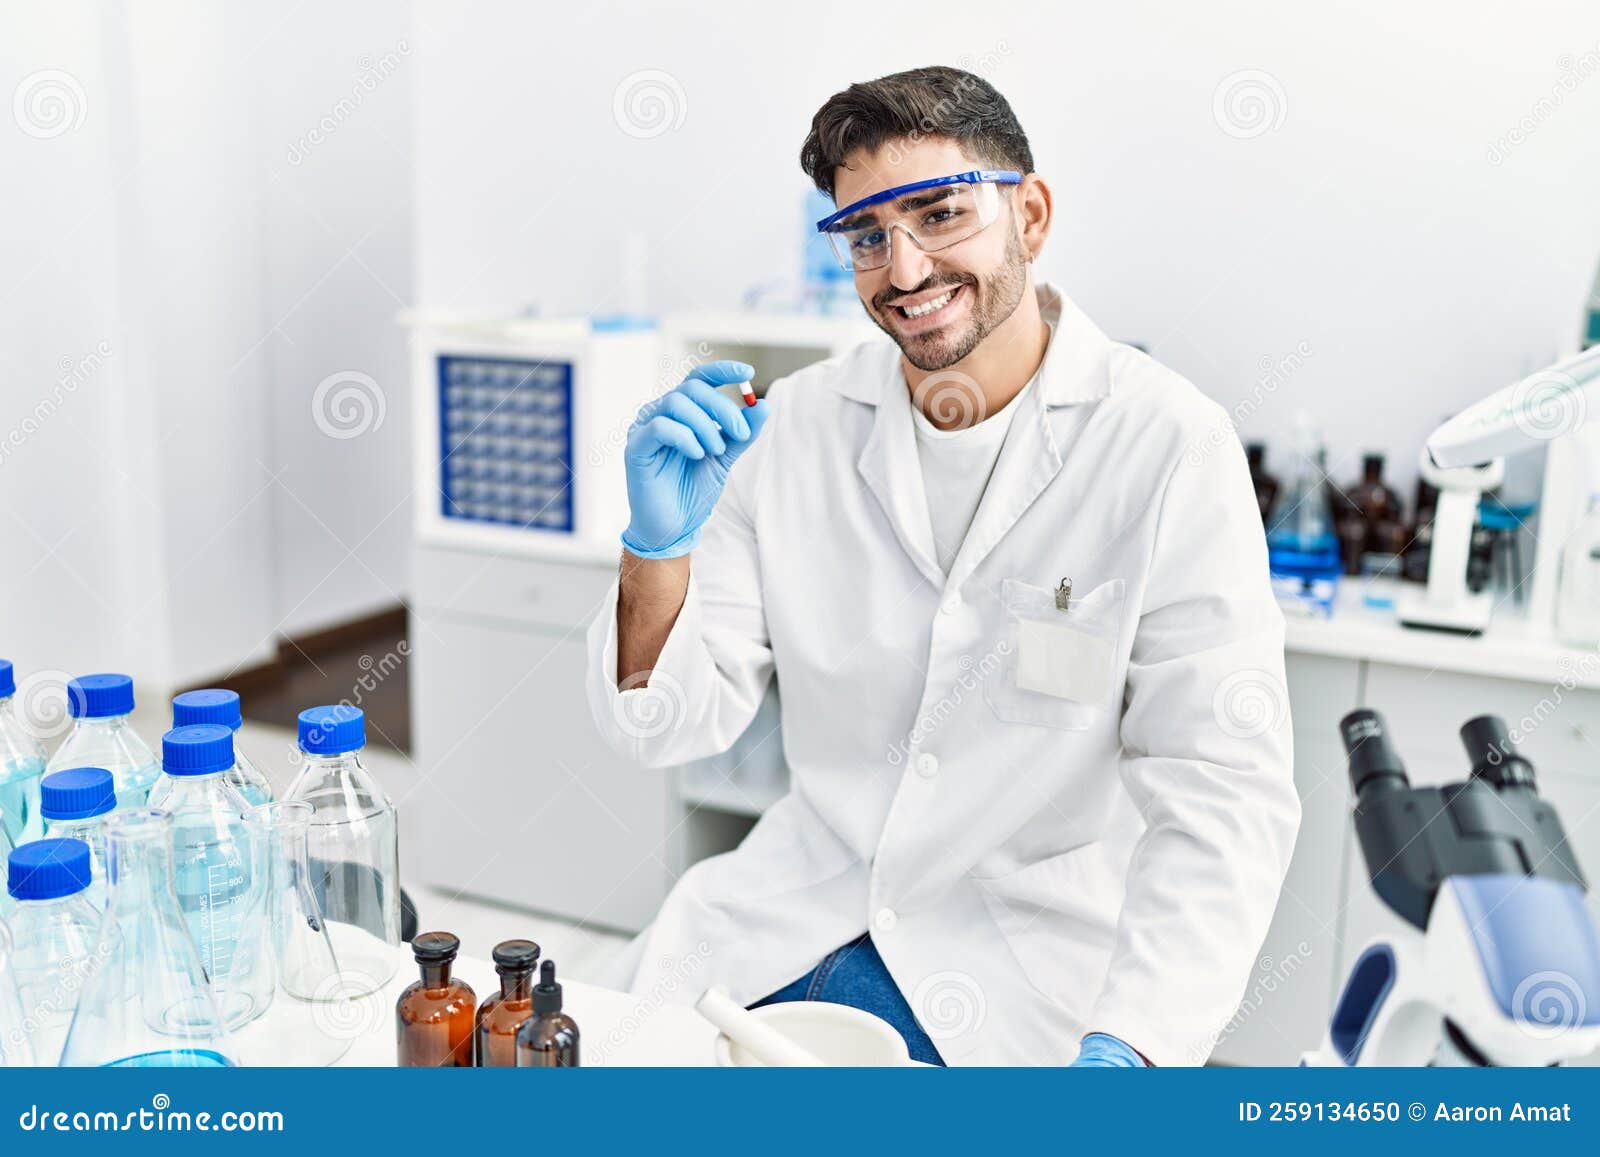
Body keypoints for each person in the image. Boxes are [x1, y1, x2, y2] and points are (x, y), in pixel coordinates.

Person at [585, 65, 1299, 1067]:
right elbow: (663, 725)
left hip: (1017, 973)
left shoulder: (1166, 443)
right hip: (777, 926)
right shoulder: (790, 429)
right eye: (867, 236)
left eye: (940, 214)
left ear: (1031, 214)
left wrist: (1131, 1045)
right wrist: (655, 549)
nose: (905, 269)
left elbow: (1221, 790)